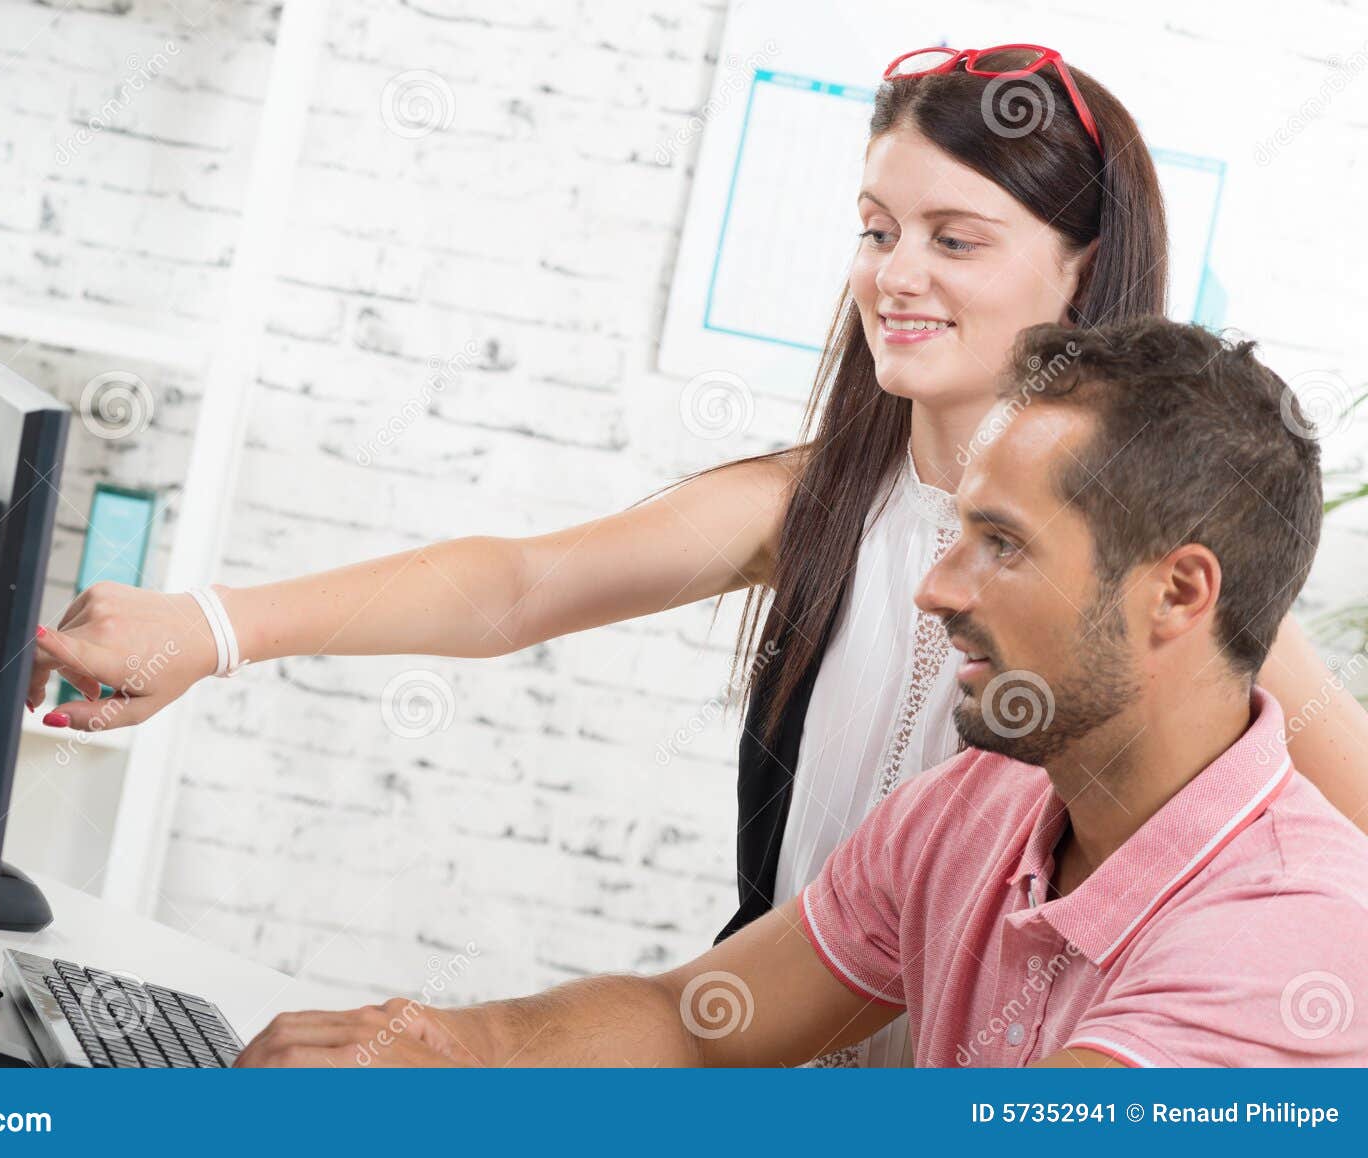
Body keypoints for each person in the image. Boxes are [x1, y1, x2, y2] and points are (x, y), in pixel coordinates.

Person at [26, 45, 1368, 1067]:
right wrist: (208, 625)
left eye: (955, 239)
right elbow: (519, 586)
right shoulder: (835, 511)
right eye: (877, 229)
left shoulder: (1182, 610)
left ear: (1077, 273)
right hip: (788, 1024)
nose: (896, 275)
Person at [233, 317, 1368, 1069]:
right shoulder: (973, 809)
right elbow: (698, 1024)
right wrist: (443, 1045)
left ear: (1177, 593)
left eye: (1002, 546)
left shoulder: (1292, 935)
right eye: (953, 533)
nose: (936, 587)